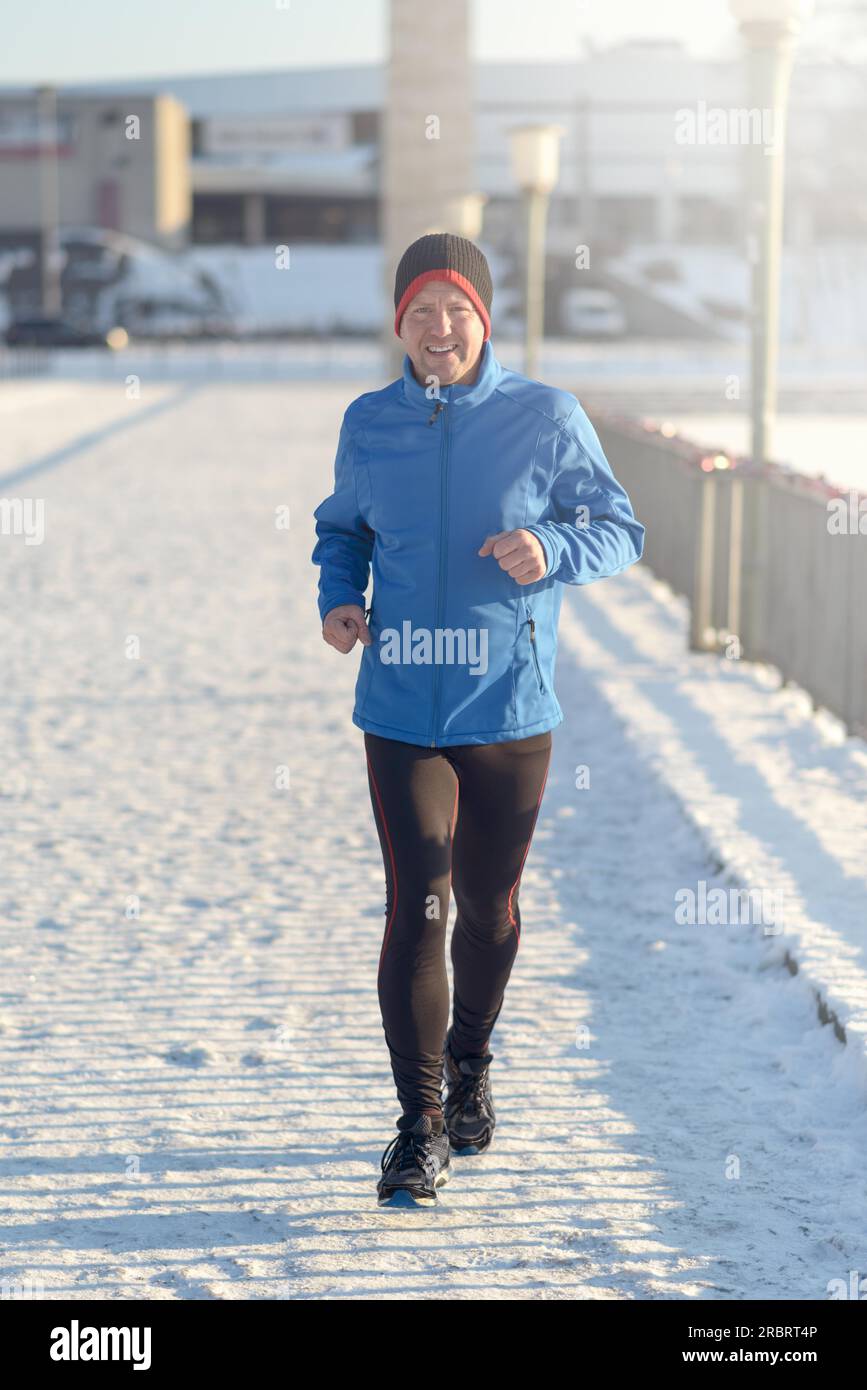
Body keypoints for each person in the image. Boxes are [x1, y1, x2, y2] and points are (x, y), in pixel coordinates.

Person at [311, 232, 644, 1206]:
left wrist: (551, 546)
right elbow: (343, 528)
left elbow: (618, 528)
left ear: (484, 319)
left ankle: (471, 1063)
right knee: (420, 901)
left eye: (455, 309)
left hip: (507, 704)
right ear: (401, 325)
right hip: (402, 704)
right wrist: (340, 596)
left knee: (488, 912)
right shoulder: (370, 422)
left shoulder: (546, 416)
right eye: (420, 311)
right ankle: (418, 1129)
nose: (438, 328)